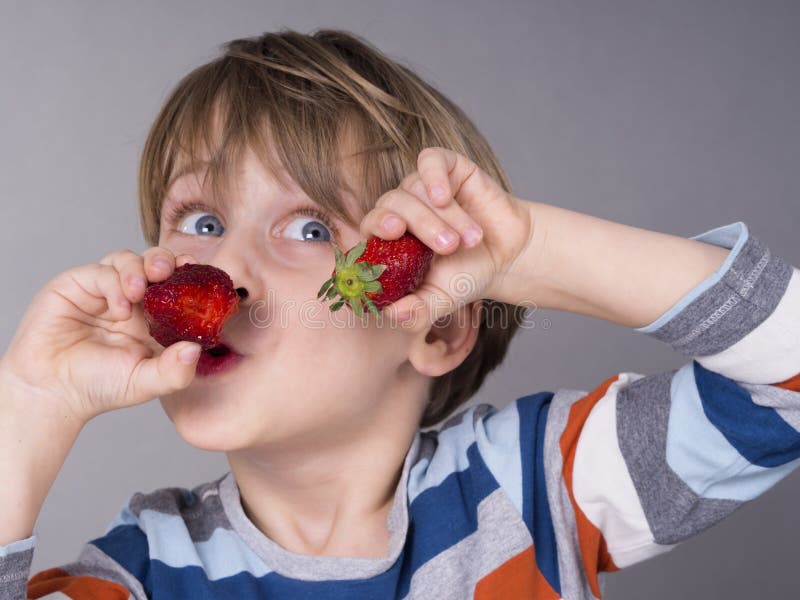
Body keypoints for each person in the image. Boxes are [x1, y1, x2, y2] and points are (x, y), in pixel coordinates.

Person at [1, 29, 798, 600]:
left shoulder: (532, 485)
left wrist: (525, 253)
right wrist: (30, 406)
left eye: (310, 229)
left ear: (438, 322)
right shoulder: (144, 573)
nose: (225, 269)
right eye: (202, 221)